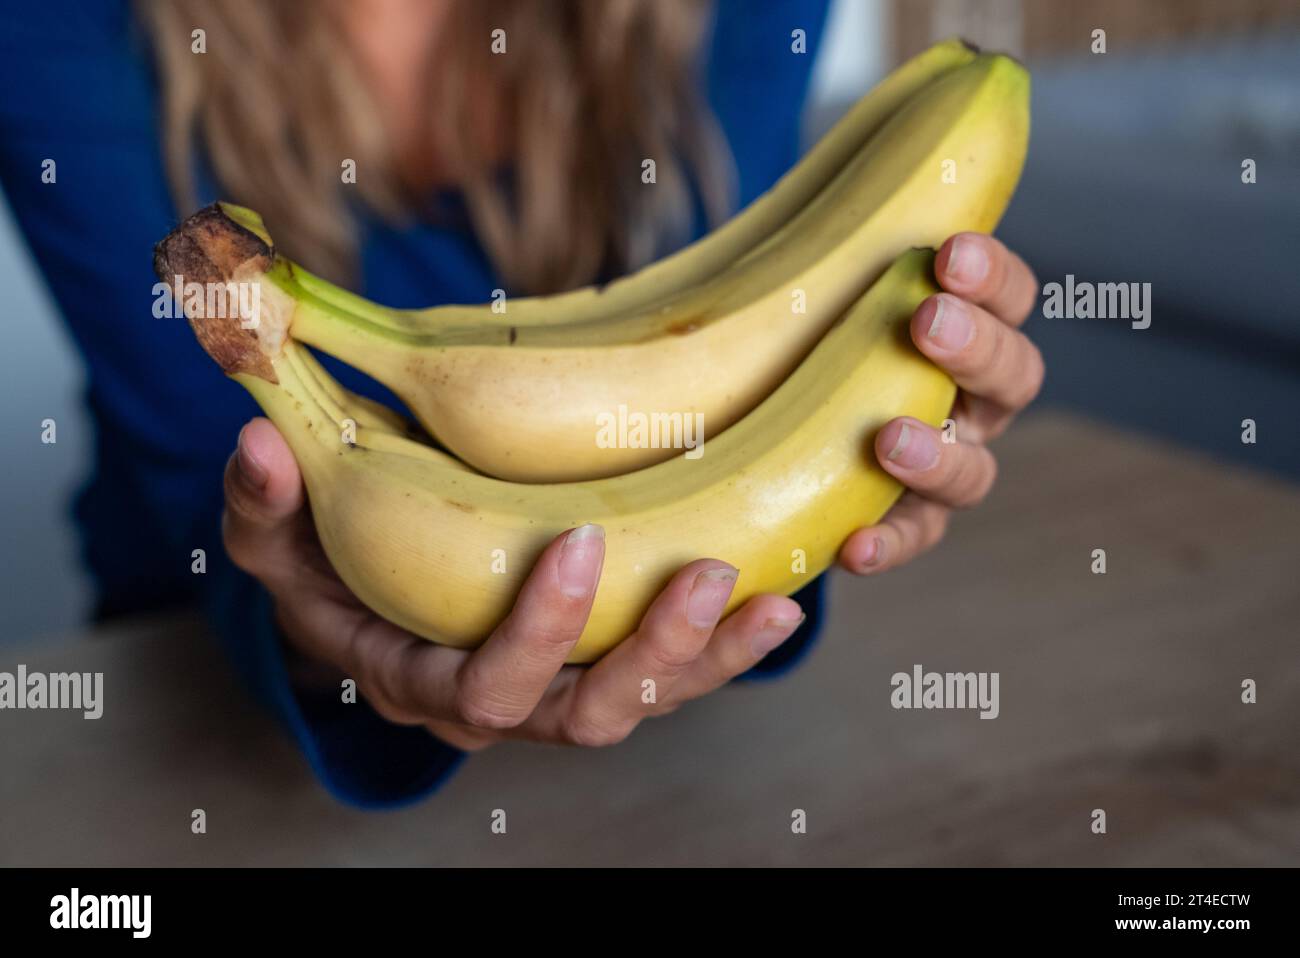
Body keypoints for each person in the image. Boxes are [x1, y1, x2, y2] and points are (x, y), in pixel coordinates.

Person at [0, 1, 1043, 807]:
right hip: (191, 742)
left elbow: (756, 350)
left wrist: (875, 426)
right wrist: (325, 633)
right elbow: (203, 469)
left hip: (694, 777)